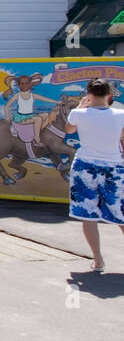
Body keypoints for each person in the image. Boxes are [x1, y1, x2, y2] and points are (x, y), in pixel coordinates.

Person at [63, 78, 124, 272]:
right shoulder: (121, 114)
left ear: (88, 95)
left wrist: (81, 106)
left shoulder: (78, 113)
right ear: (109, 95)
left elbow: (69, 130)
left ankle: (98, 260)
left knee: (88, 215)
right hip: (113, 166)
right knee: (121, 214)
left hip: (85, 166)